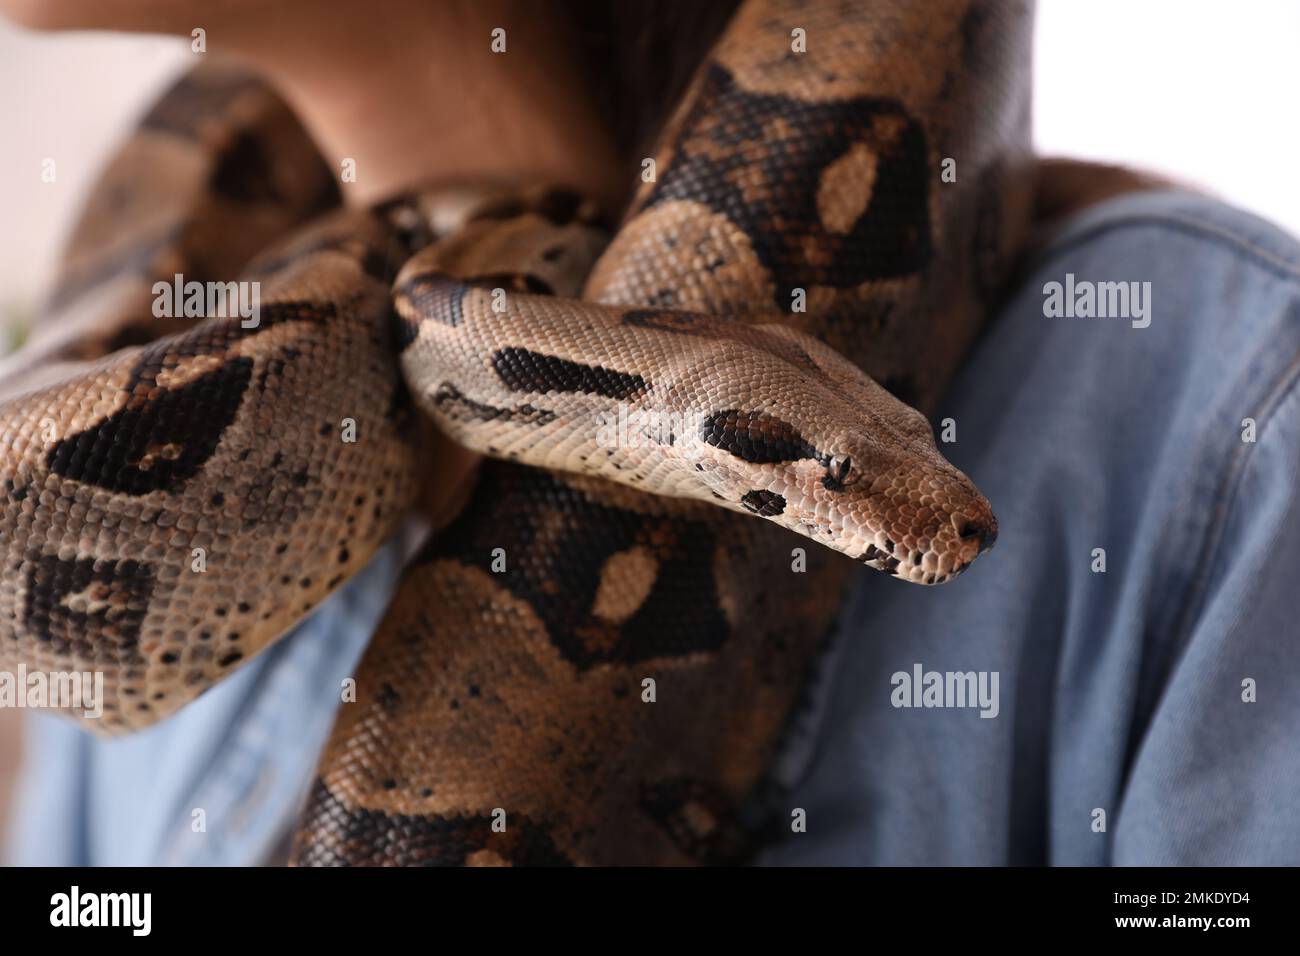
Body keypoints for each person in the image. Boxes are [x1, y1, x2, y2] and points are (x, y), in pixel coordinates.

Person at [5, 0, 1299, 866]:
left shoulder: (1223, 430)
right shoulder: (168, 449)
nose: (924, 509)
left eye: (853, 472)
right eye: (845, 479)